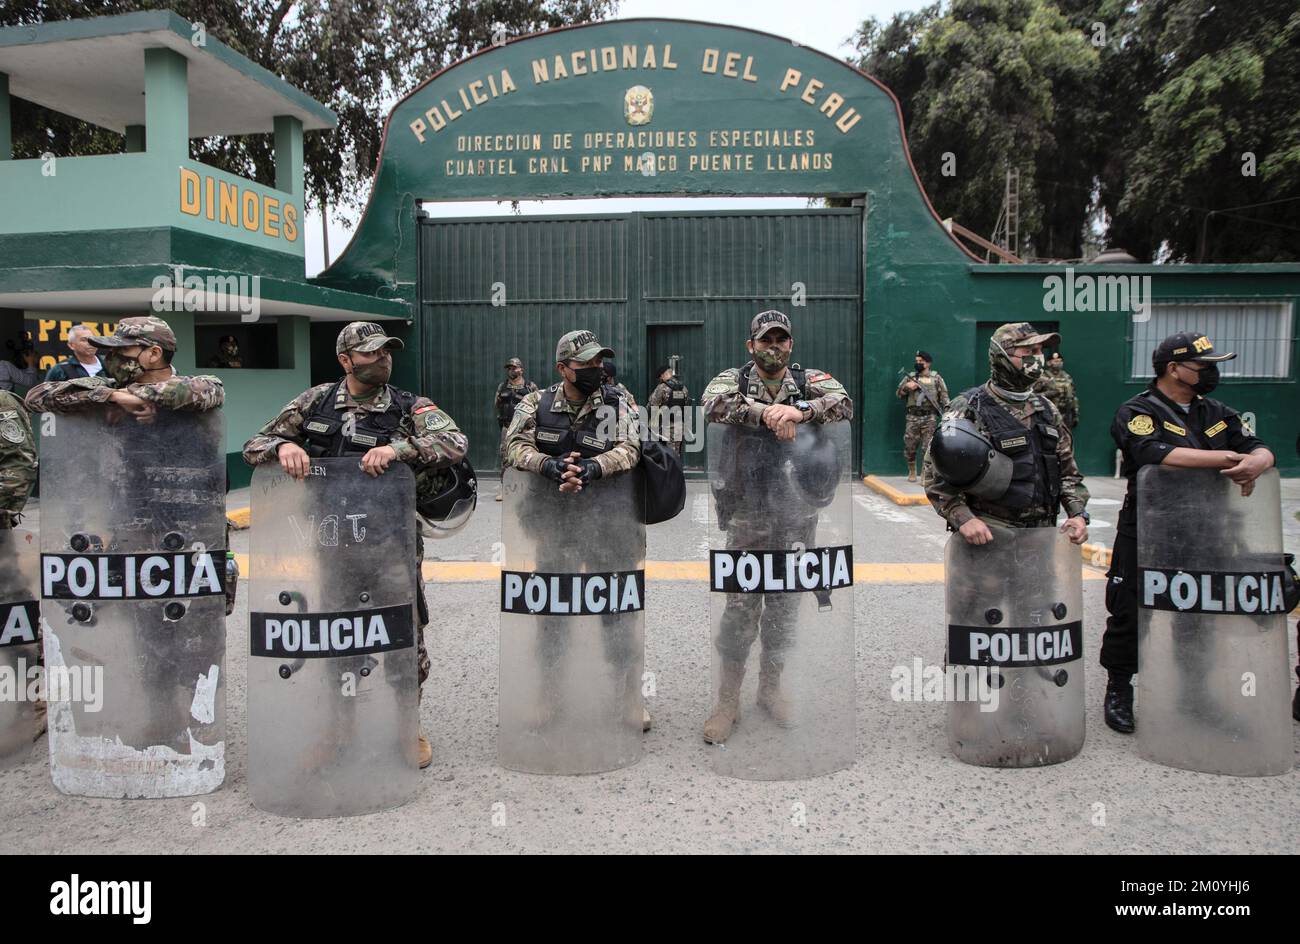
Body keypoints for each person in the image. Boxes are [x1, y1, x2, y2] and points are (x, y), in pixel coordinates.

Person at [242, 321, 467, 769]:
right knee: (339, 638)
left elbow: (455, 442)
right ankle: (339, 730)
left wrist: (399, 450)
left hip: (391, 545)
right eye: (370, 353)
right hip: (333, 544)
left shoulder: (410, 405)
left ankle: (408, 726)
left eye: (386, 351)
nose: (382, 358)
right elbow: (254, 444)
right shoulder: (316, 401)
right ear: (346, 360)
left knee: (402, 637)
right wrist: (281, 448)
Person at [1100, 331, 1275, 734]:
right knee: (1130, 610)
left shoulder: (1215, 412)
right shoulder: (1138, 410)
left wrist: (1259, 462)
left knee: (1196, 615)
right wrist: (1227, 459)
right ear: (1172, 368)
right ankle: (1119, 688)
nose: (1212, 373)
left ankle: (1194, 693)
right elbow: (1151, 453)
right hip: (1147, 527)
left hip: (1203, 529)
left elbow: (1257, 445)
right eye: (1203, 366)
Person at [699, 309, 853, 744]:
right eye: (765, 339)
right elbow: (712, 404)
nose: (774, 346)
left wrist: (800, 410)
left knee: (785, 610)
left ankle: (770, 689)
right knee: (739, 612)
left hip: (797, 515)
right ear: (751, 346)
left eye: (781, 339)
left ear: (791, 345)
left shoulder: (809, 382)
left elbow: (844, 403)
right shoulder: (733, 380)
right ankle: (728, 700)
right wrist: (766, 414)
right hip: (747, 514)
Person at [504, 329, 646, 729]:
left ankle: (628, 698)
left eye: (599, 361)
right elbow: (514, 445)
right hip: (554, 527)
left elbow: (631, 447)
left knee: (617, 612)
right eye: (586, 363)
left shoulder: (620, 401)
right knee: (553, 613)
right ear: (563, 368)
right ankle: (549, 697)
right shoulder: (537, 402)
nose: (596, 369)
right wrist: (548, 466)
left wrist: (591, 468)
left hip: (609, 526)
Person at [922, 322, 1089, 547]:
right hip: (990, 540)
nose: (1038, 358)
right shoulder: (968, 408)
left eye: (1040, 351)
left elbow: (1068, 474)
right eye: (1029, 352)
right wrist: (963, 518)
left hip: (1043, 540)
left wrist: (1077, 514)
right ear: (1001, 356)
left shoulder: (1047, 409)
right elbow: (936, 476)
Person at [896, 351, 948, 481]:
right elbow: (899, 394)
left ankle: (925, 474)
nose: (918, 364)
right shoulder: (910, 377)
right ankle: (912, 470)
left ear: (928, 363)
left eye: (921, 362)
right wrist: (907, 388)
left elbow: (945, 397)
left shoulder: (936, 378)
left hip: (929, 417)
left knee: (927, 448)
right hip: (912, 417)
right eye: (917, 361)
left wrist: (947, 412)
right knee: (910, 447)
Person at [494, 357, 538, 501]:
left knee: (527, 456)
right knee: (505, 458)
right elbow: (497, 405)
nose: (511, 370)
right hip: (507, 427)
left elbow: (537, 406)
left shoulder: (530, 387)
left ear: (521, 369)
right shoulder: (502, 387)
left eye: (514, 368)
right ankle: (505, 488)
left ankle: (527, 489)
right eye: (509, 368)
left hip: (524, 429)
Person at [647, 363, 689, 457]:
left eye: (660, 377)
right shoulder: (683, 388)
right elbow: (686, 405)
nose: (660, 379)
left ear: (662, 375)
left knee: (666, 455)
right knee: (676, 454)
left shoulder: (662, 388)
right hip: (679, 426)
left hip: (665, 427)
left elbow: (652, 406)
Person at [1033, 350, 1078, 429]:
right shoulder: (1043, 377)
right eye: (1055, 361)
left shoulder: (1067, 377)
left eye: (1060, 361)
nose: (1058, 363)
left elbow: (1073, 396)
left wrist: (1075, 414)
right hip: (1049, 413)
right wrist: (1049, 393)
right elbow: (1033, 395)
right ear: (1048, 363)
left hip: (1065, 413)